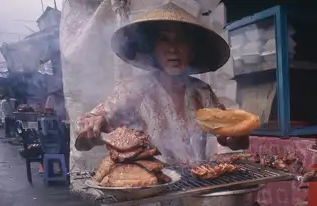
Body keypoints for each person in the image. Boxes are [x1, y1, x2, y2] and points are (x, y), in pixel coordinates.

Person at [75, 2, 247, 162]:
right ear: (152, 49)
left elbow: (230, 137)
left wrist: (236, 138)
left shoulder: (203, 92)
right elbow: (90, 123)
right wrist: (91, 125)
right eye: (164, 39)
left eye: (182, 39)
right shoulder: (133, 90)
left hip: (198, 186)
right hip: (153, 189)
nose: (173, 48)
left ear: (192, 51)